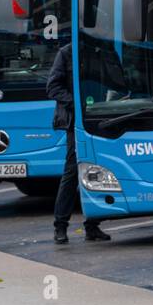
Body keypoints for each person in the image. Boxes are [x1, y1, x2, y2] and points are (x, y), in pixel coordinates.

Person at [47, 41, 109, 245]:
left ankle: (92, 225)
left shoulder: (99, 51)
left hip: (98, 117)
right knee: (72, 171)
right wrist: (77, 103)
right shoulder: (66, 53)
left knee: (97, 170)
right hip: (76, 121)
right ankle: (60, 225)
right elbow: (53, 87)